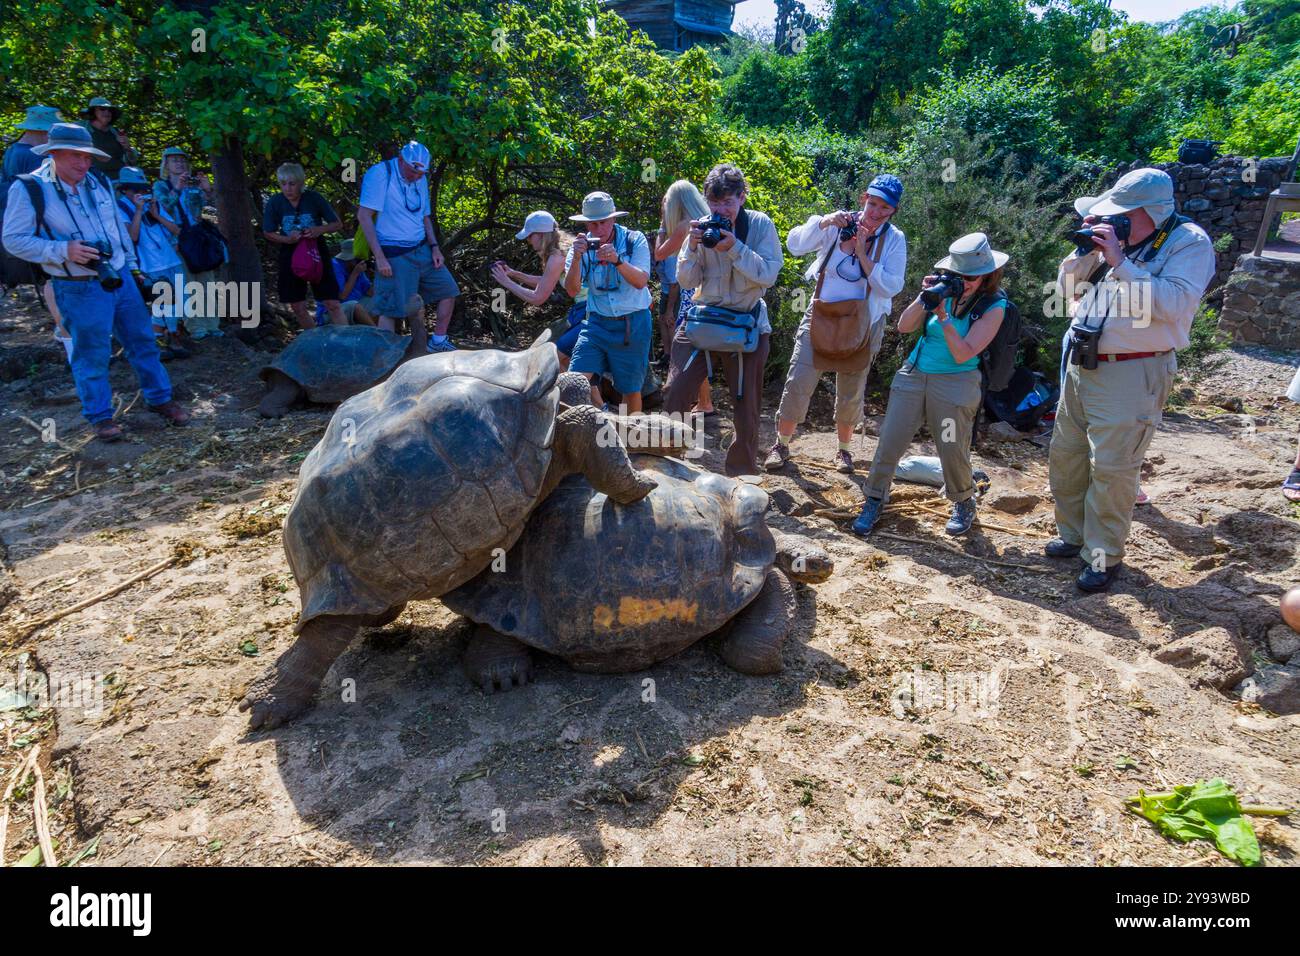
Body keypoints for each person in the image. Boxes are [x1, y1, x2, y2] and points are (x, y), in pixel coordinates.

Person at [1047, 168, 1215, 592]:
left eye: (1124, 213)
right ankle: (1073, 537)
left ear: (1152, 212)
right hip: (1082, 362)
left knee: (1112, 469)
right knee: (1066, 456)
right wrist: (1087, 250)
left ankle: (1102, 557)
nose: (1115, 220)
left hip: (1133, 369)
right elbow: (1065, 288)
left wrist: (1121, 263)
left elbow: (1173, 305)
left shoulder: (1188, 243)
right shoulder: (1113, 243)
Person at [2, 123, 189, 441]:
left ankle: (160, 399)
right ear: (53, 153)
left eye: (87, 156)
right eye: (75, 156)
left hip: (119, 277)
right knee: (91, 352)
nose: (83, 163)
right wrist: (62, 250)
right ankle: (101, 417)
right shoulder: (30, 188)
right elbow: (13, 240)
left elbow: (116, 227)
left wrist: (132, 266)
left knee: (143, 341)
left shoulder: (99, 181)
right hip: (77, 284)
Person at [851, 233, 1009, 538]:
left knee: (951, 445)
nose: (965, 282)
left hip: (956, 381)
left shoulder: (993, 305)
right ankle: (873, 498)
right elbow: (904, 326)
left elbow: (964, 351)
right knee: (891, 440)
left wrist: (944, 316)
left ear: (986, 275)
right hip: (915, 372)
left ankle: (963, 499)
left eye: (972, 277)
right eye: (959, 275)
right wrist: (925, 297)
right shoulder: (942, 290)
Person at [768, 174, 907, 474]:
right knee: (799, 379)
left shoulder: (894, 239)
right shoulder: (838, 224)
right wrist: (824, 222)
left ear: (893, 211)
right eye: (872, 203)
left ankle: (844, 451)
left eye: (884, 207)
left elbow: (891, 286)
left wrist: (861, 253)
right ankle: (781, 444)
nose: (876, 212)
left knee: (852, 389)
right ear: (863, 199)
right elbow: (794, 245)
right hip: (821, 315)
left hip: (865, 322)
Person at [662, 163, 783, 476]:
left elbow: (768, 275)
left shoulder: (759, 225)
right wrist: (690, 246)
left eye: (727, 203)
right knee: (675, 392)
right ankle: (666, 463)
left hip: (745, 324)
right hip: (703, 320)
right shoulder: (701, 228)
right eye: (714, 204)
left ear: (742, 197)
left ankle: (741, 477)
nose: (721, 211)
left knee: (746, 407)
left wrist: (735, 248)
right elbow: (688, 281)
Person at [356, 141, 459, 352]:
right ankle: (385, 358)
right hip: (393, 252)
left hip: (421, 249)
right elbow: (364, 216)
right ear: (401, 160)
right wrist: (380, 257)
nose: (417, 177)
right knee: (390, 308)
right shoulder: (380, 174)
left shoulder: (420, 178)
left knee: (448, 290)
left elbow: (425, 216)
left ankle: (437, 342)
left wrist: (434, 246)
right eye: (413, 171)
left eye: (421, 173)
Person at [562, 191, 653, 411]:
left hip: (632, 323)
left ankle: (631, 441)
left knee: (630, 389)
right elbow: (572, 290)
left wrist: (617, 260)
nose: (598, 230)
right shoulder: (581, 247)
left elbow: (641, 281)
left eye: (603, 222)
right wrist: (576, 258)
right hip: (597, 323)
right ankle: (577, 434)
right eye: (592, 224)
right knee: (573, 382)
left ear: (613, 219)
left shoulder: (633, 240)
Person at [114, 166, 190, 360]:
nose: (139, 193)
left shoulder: (154, 205)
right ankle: (165, 339)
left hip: (170, 260)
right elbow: (132, 236)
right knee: (162, 304)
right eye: (134, 189)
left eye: (143, 189)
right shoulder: (120, 208)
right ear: (124, 190)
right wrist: (139, 211)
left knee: (179, 303)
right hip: (149, 265)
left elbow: (176, 230)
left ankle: (167, 336)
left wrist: (156, 215)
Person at [1, 105, 65, 327]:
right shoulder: (33, 156)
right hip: (37, 225)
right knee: (53, 275)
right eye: (49, 132)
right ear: (40, 131)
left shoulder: (12, 151)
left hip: (17, 221)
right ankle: (63, 326)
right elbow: (53, 190)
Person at [262, 162, 345, 329]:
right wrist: (287, 239)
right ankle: (314, 342)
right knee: (297, 306)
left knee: (332, 302)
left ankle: (348, 343)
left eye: (292, 184)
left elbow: (337, 224)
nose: (288, 188)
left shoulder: (314, 198)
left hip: (316, 250)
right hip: (290, 252)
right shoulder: (275, 202)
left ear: (301, 183)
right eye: (283, 184)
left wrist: (318, 230)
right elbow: (268, 232)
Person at [490, 210, 580, 363]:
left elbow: (538, 298)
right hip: (584, 310)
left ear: (541, 234)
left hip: (590, 312)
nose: (529, 241)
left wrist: (506, 282)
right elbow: (547, 280)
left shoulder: (557, 256)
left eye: (530, 236)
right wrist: (514, 274)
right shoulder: (563, 248)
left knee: (550, 362)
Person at [656, 180, 713, 416]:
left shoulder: (684, 225)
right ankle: (704, 403)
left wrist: (662, 226)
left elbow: (659, 253)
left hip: (692, 294)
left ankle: (680, 406)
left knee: (685, 349)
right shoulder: (707, 219)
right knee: (699, 349)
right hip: (709, 290)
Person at [153, 146, 222, 339]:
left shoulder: (193, 186)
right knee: (187, 284)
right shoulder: (161, 186)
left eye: (182, 160)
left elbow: (205, 211)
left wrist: (207, 192)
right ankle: (196, 327)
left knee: (207, 282)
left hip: (198, 239)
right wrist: (177, 188)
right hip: (176, 240)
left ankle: (212, 324)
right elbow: (164, 206)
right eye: (175, 160)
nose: (179, 163)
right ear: (166, 163)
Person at [78, 96, 137, 180]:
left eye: (110, 110)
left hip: (120, 180)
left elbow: (132, 162)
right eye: (102, 109)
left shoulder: (117, 133)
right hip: (92, 180)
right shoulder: (80, 129)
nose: (107, 112)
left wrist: (127, 148)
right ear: (92, 112)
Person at [317, 240, 373, 326]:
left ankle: (386, 331)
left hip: (353, 306)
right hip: (332, 312)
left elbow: (370, 292)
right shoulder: (334, 266)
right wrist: (355, 273)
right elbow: (342, 296)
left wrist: (378, 275)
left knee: (381, 303)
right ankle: (377, 333)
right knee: (354, 306)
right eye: (357, 258)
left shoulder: (356, 266)